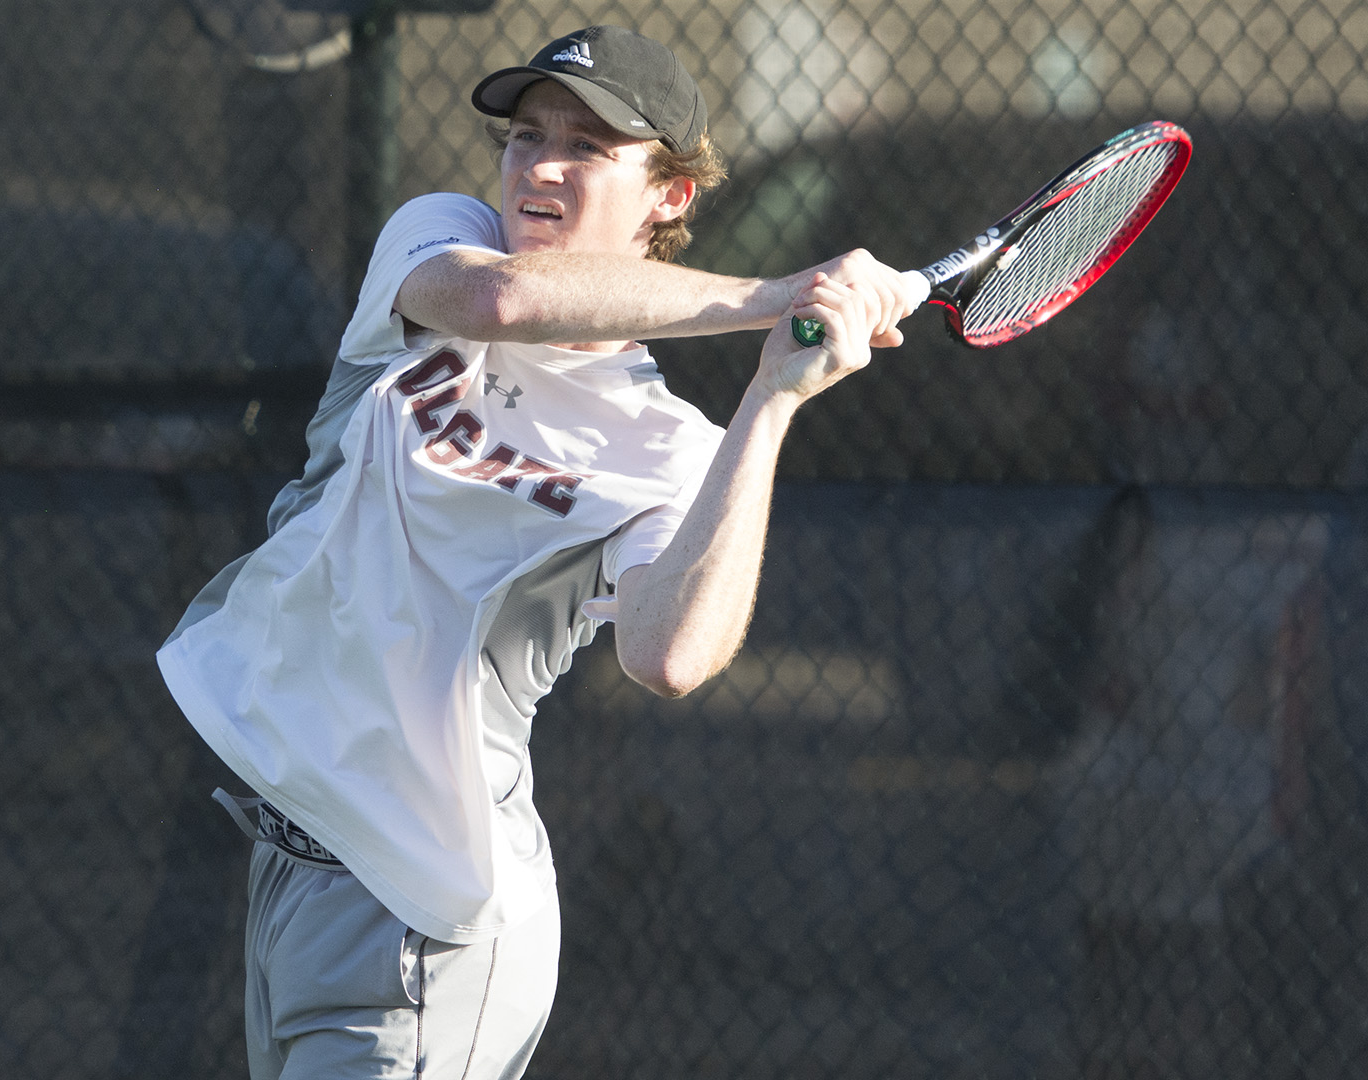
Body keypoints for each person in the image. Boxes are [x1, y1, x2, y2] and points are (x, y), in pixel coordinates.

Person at [156, 24, 926, 1080]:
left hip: (432, 924)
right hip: (292, 870)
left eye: (589, 147)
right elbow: (503, 302)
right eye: (526, 136)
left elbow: (668, 655)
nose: (541, 166)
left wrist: (770, 400)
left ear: (671, 197)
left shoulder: (670, 454)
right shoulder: (438, 240)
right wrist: (776, 295)